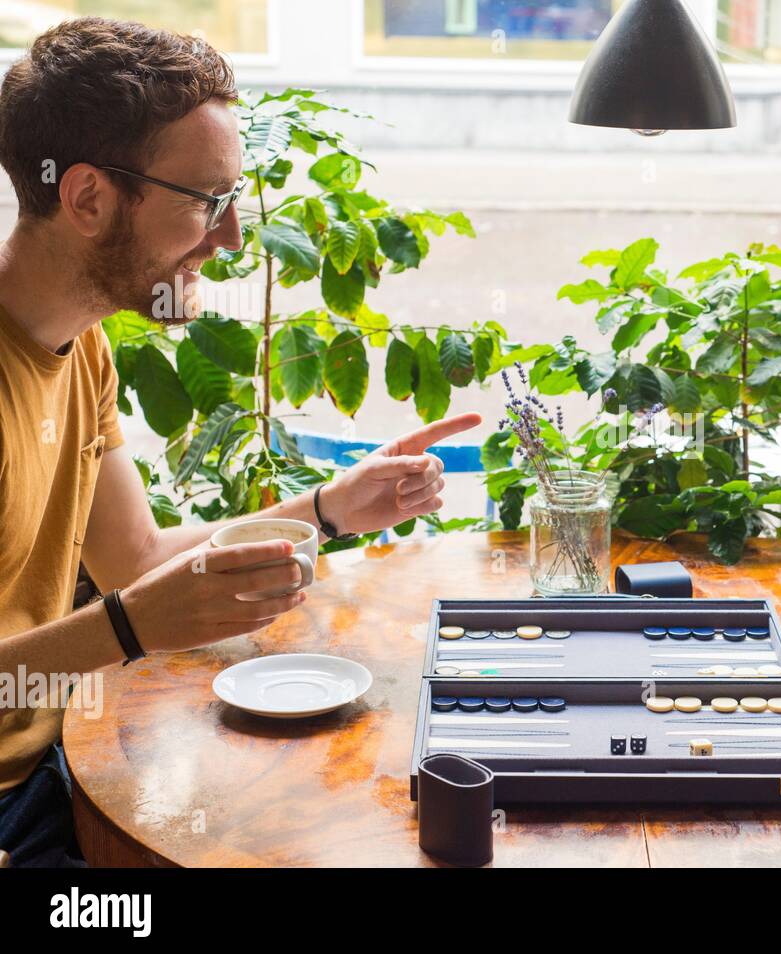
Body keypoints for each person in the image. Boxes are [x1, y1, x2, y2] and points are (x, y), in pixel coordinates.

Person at [0, 18, 480, 865]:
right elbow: (130, 605)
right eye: (206, 201)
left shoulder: (86, 352)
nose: (227, 239)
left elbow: (136, 557)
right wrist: (124, 628)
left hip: (54, 774)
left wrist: (329, 508)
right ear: (87, 199)